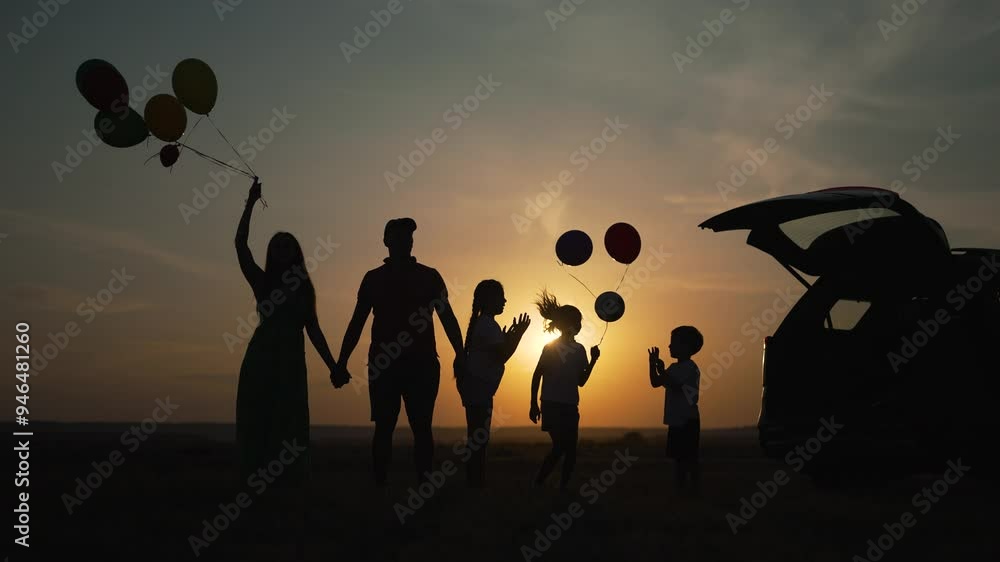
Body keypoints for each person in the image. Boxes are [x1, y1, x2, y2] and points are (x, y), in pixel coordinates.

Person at [234, 178, 342, 555]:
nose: (282, 249)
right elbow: (240, 245)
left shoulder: (304, 289)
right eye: (277, 245)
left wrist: (334, 366)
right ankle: (254, 495)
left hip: (292, 365)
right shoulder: (262, 282)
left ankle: (288, 497)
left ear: (296, 253)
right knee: (257, 423)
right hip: (261, 360)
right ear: (271, 253)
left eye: (288, 245)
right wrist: (250, 203)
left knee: (291, 425)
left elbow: (314, 329)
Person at [335, 218, 466, 488]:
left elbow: (448, 317)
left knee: (422, 427)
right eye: (398, 236)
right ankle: (380, 488)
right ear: (386, 241)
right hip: (385, 365)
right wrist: (342, 361)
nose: (405, 240)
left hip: (422, 364)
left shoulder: (430, 276)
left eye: (408, 236)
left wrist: (460, 352)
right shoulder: (373, 279)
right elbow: (356, 322)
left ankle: (422, 487)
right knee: (384, 427)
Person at [459, 280, 531, 488]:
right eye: (501, 297)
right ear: (489, 300)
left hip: (477, 386)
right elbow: (503, 355)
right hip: (478, 387)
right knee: (478, 439)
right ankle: (475, 484)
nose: (505, 301)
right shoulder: (487, 325)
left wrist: (510, 337)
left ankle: (474, 482)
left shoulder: (486, 324)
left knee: (477, 438)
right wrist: (519, 335)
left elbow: (498, 352)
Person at [529, 290, 600, 490]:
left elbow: (581, 382)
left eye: (580, 322)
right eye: (577, 321)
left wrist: (593, 361)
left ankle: (562, 489)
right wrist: (533, 403)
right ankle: (539, 483)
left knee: (570, 450)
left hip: (570, 406)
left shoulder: (580, 350)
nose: (580, 325)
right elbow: (537, 375)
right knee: (561, 447)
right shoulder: (549, 348)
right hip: (551, 404)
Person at [648, 326, 704, 493]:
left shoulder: (690, 368)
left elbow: (676, 386)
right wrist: (652, 365)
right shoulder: (673, 368)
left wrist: (662, 371)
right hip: (676, 419)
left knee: (689, 459)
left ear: (686, 346)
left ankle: (693, 490)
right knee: (679, 458)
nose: (669, 346)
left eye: (674, 343)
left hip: (687, 419)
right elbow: (655, 382)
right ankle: (682, 490)